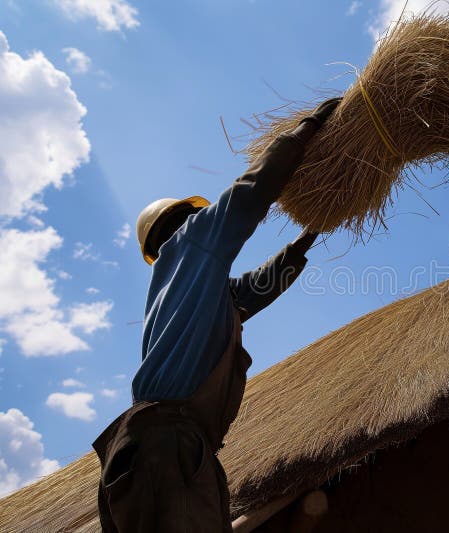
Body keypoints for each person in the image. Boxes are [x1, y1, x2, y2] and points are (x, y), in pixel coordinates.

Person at [92, 98, 341, 532]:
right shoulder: (190, 241)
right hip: (167, 446)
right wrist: (309, 127)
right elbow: (249, 195)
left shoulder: (192, 288)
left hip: (152, 448)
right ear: (187, 218)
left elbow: (255, 289)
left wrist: (310, 234)